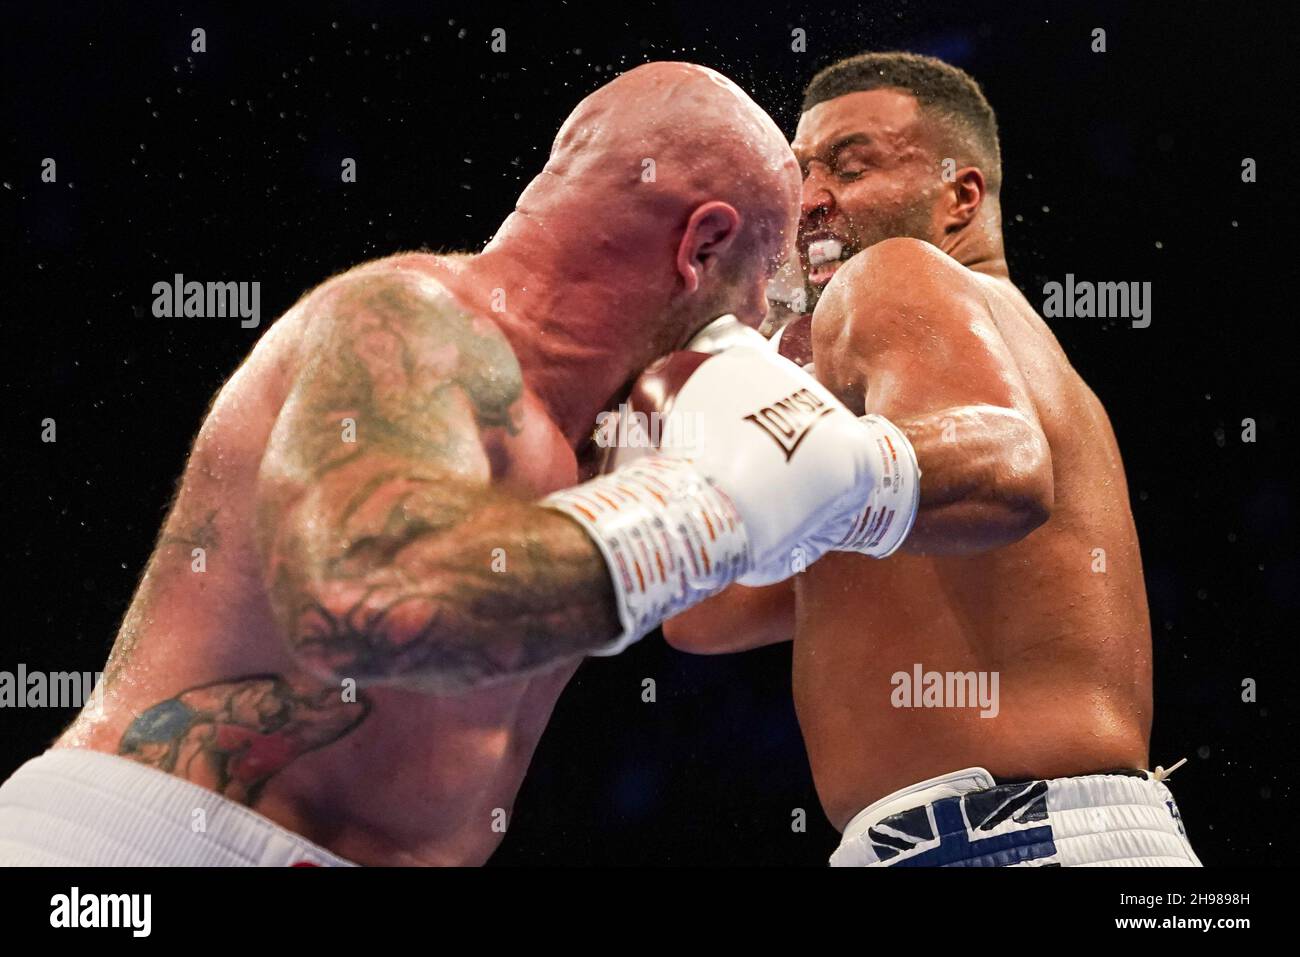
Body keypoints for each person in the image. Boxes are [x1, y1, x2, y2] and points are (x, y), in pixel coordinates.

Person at [0, 62, 915, 866]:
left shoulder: (604, 433)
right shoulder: (411, 327)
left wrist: (870, 475)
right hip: (146, 851)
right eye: (758, 287)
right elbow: (364, 601)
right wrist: (703, 515)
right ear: (702, 245)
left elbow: (737, 578)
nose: (750, 328)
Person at [664, 52, 1200, 867]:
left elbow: (1008, 468)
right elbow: (707, 612)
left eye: (850, 166)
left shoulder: (894, 273)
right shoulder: (986, 361)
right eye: (800, 172)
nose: (808, 201)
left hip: (1005, 836)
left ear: (960, 195)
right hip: (1010, 834)